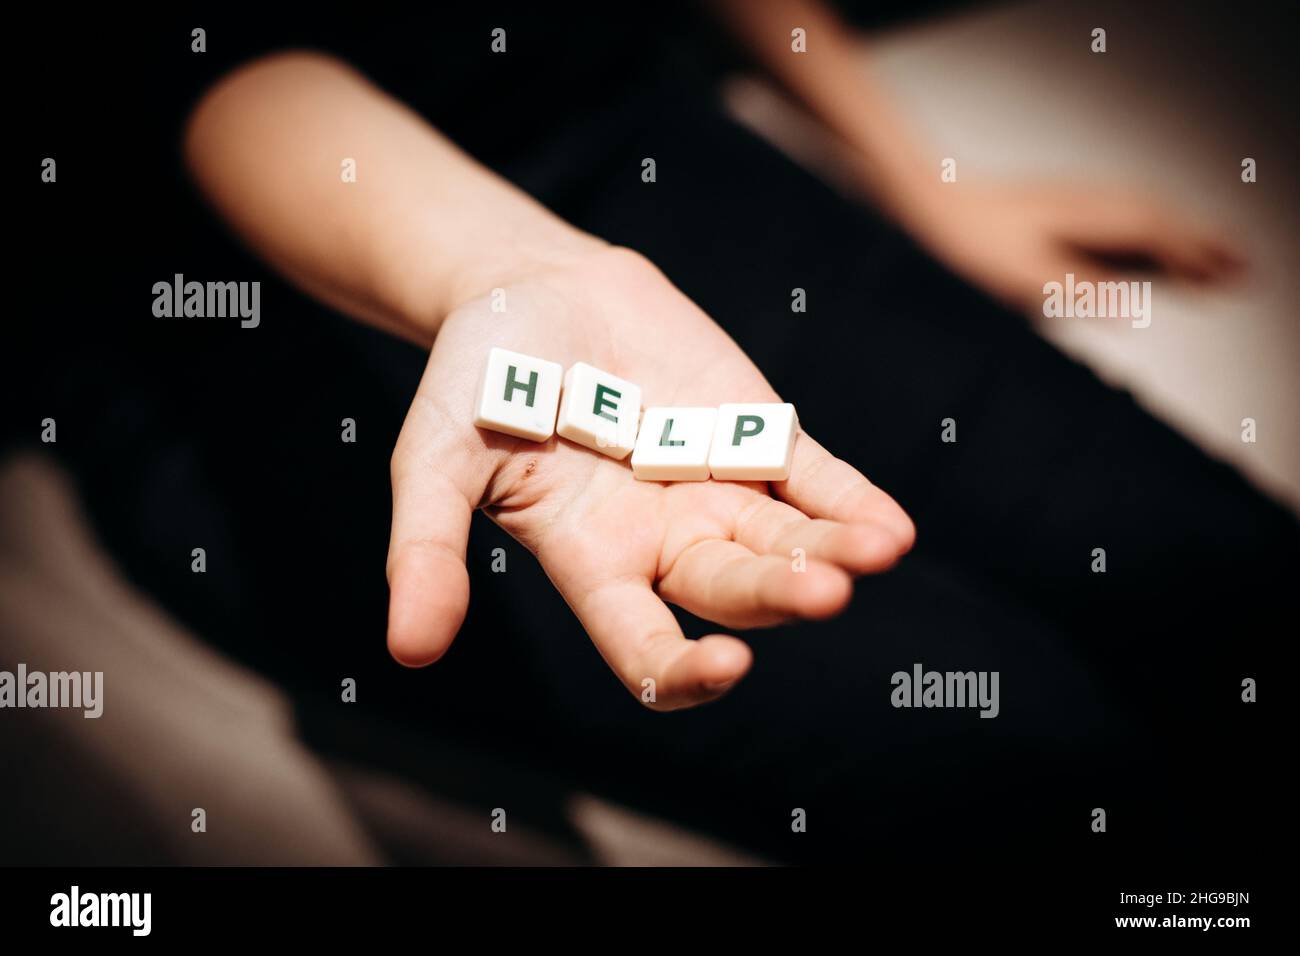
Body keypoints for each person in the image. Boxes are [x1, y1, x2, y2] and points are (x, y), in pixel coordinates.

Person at [38, 2, 1293, 864]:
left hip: (621, 152)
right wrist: (506, 269)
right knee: (1023, 762)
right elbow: (202, 71)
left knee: (1226, 581)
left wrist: (922, 175)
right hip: (225, 332)